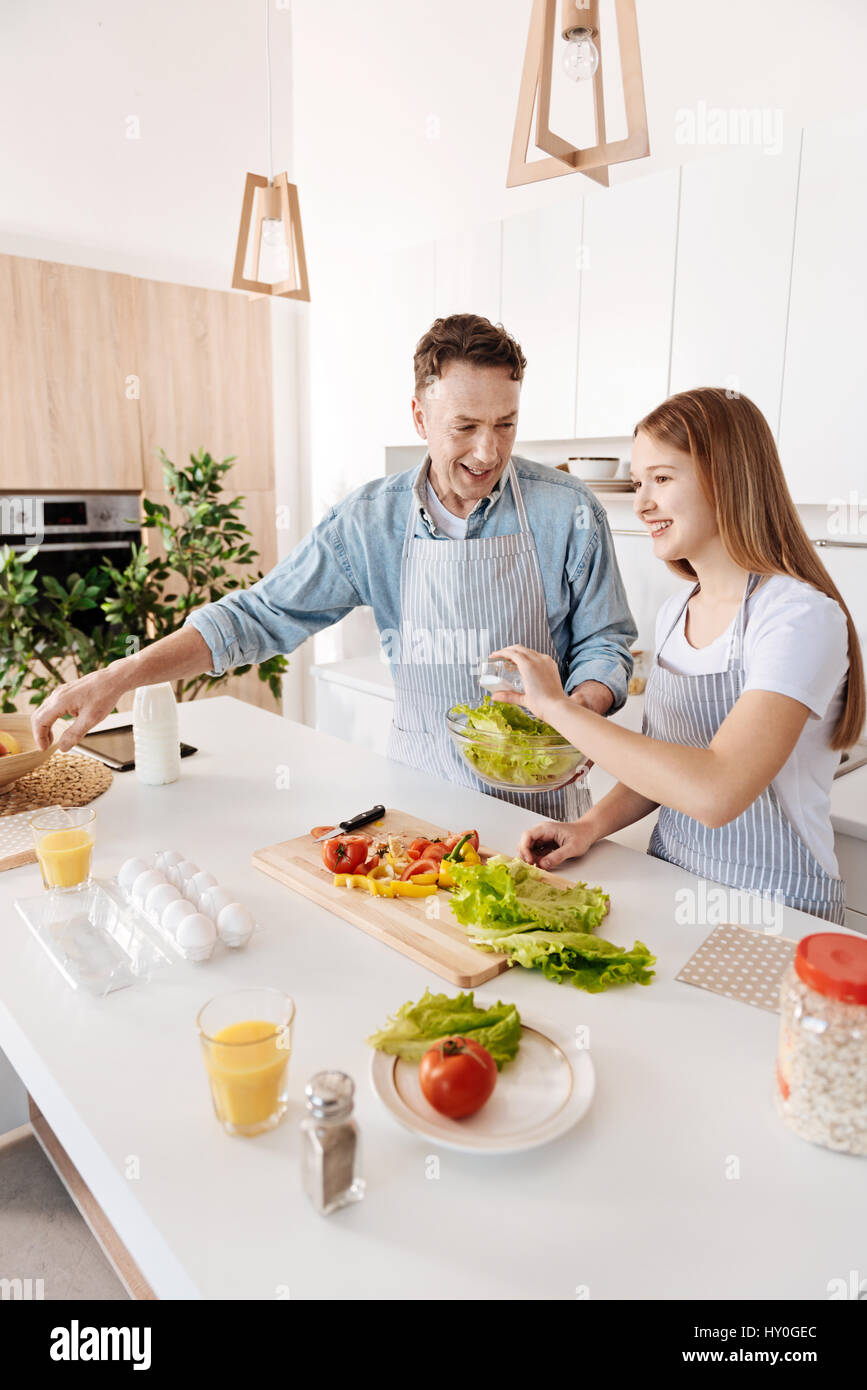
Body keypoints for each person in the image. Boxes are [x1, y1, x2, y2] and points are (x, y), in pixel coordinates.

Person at [32, 313, 637, 819]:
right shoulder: (369, 521)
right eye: (466, 427)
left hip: (543, 807)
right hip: (422, 800)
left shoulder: (568, 509)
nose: (489, 451)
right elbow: (259, 616)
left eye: (506, 425)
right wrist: (120, 675)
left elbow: (606, 641)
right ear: (420, 418)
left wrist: (578, 709)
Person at [493, 387, 864, 924]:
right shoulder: (674, 613)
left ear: (726, 477)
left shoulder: (797, 617)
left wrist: (557, 709)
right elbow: (664, 763)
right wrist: (588, 827)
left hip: (776, 908)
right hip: (670, 879)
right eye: (639, 482)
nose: (643, 503)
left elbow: (716, 790)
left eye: (662, 479)